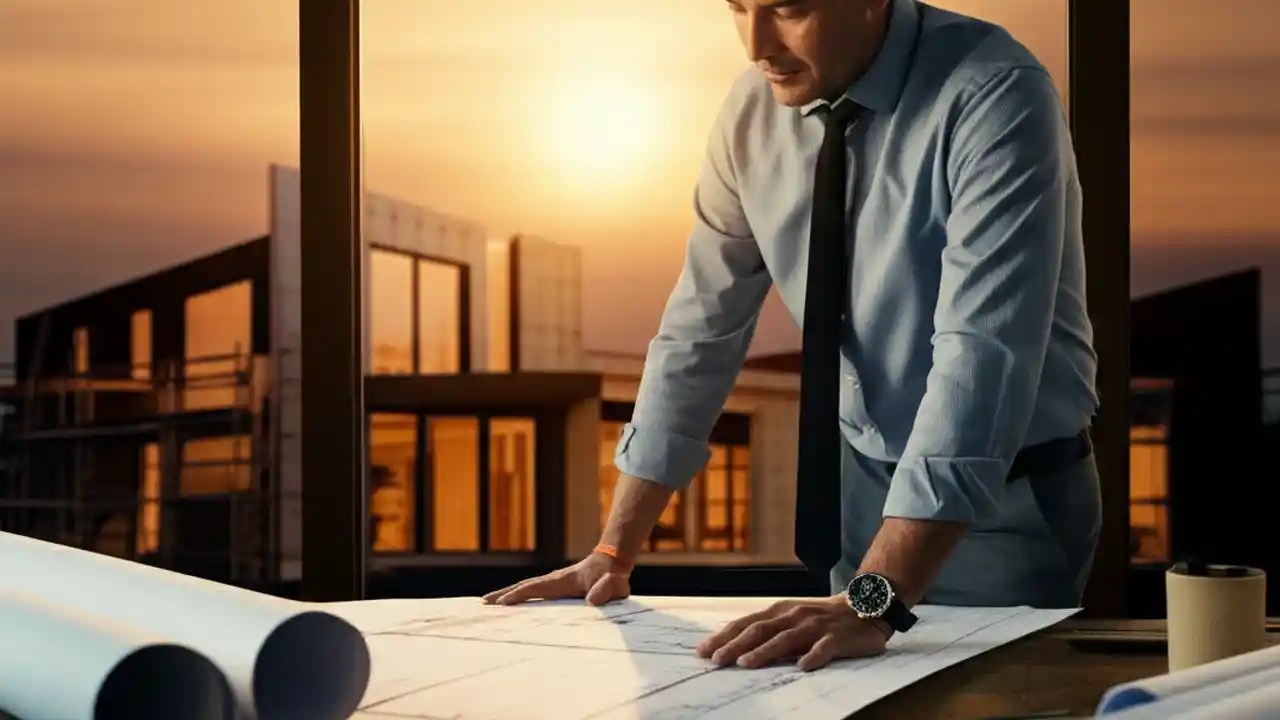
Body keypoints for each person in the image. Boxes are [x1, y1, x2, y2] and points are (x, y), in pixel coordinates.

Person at [484, 0, 1101, 673]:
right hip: (858, 486)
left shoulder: (994, 92)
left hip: (1008, 502)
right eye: (738, 6)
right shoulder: (751, 112)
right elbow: (700, 327)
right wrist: (612, 552)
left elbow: (982, 355)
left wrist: (875, 600)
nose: (756, 43)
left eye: (788, 9)